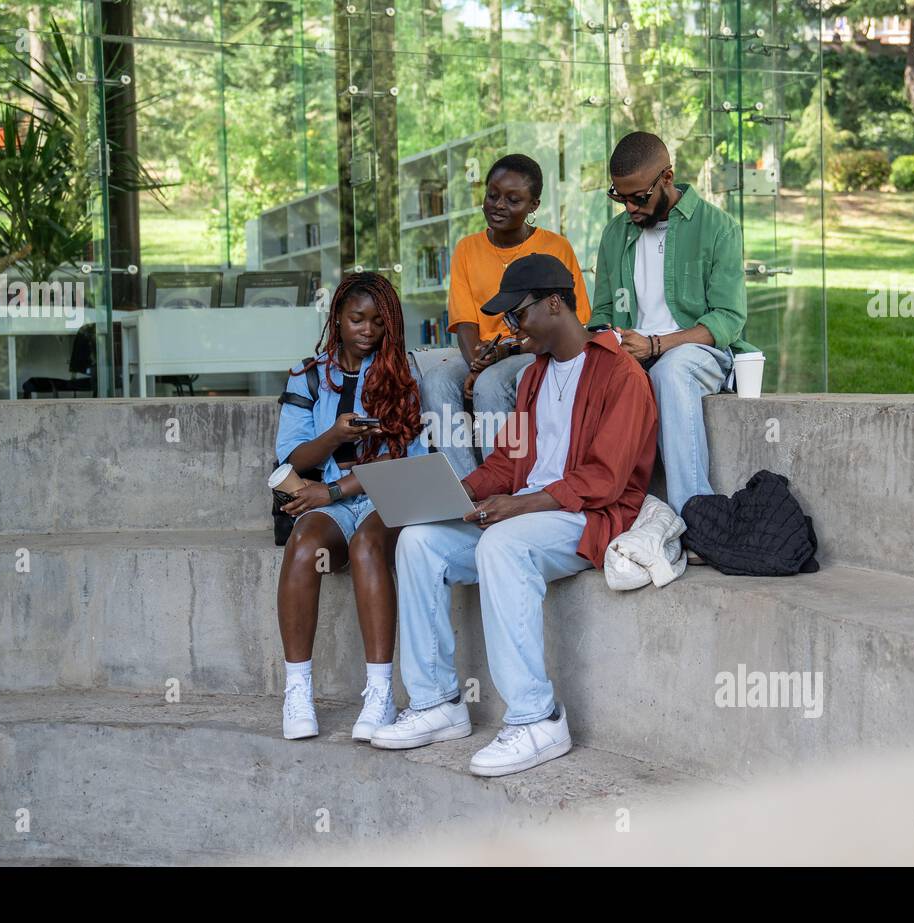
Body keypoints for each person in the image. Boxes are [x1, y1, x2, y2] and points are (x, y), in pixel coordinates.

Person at [372, 254, 657, 777]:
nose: (510, 327)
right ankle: (436, 703)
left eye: (517, 314)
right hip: (532, 513)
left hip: (587, 517)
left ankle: (538, 720)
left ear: (555, 304)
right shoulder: (533, 377)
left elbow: (605, 479)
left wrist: (518, 506)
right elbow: (507, 462)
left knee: (502, 544)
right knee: (418, 540)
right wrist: (456, 494)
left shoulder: (621, 374)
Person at [274, 272, 426, 742]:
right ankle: (297, 690)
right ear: (337, 317)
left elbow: (402, 459)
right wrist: (335, 436)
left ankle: (379, 694)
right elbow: (293, 458)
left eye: (378, 322)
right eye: (356, 318)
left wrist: (334, 491)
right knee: (303, 543)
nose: (367, 330)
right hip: (332, 500)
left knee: (367, 544)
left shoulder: (403, 373)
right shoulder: (308, 375)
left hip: (386, 495)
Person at [591, 131, 758, 514]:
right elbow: (602, 313)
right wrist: (609, 340)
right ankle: (596, 516)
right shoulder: (615, 235)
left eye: (639, 197)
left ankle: (696, 514)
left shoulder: (717, 227)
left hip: (698, 352)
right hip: (633, 353)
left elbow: (728, 318)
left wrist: (656, 345)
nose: (630, 207)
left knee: (669, 372)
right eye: (620, 197)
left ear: (667, 177)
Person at [419, 153, 591, 477]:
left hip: (533, 349)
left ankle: (503, 485)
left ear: (533, 205)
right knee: (436, 379)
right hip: (484, 351)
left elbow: (570, 322)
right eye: (492, 194)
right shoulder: (466, 249)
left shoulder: (556, 248)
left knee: (492, 383)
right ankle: (466, 488)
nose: (498, 205)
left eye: (513, 200)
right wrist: (474, 364)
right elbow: (466, 322)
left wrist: (491, 363)